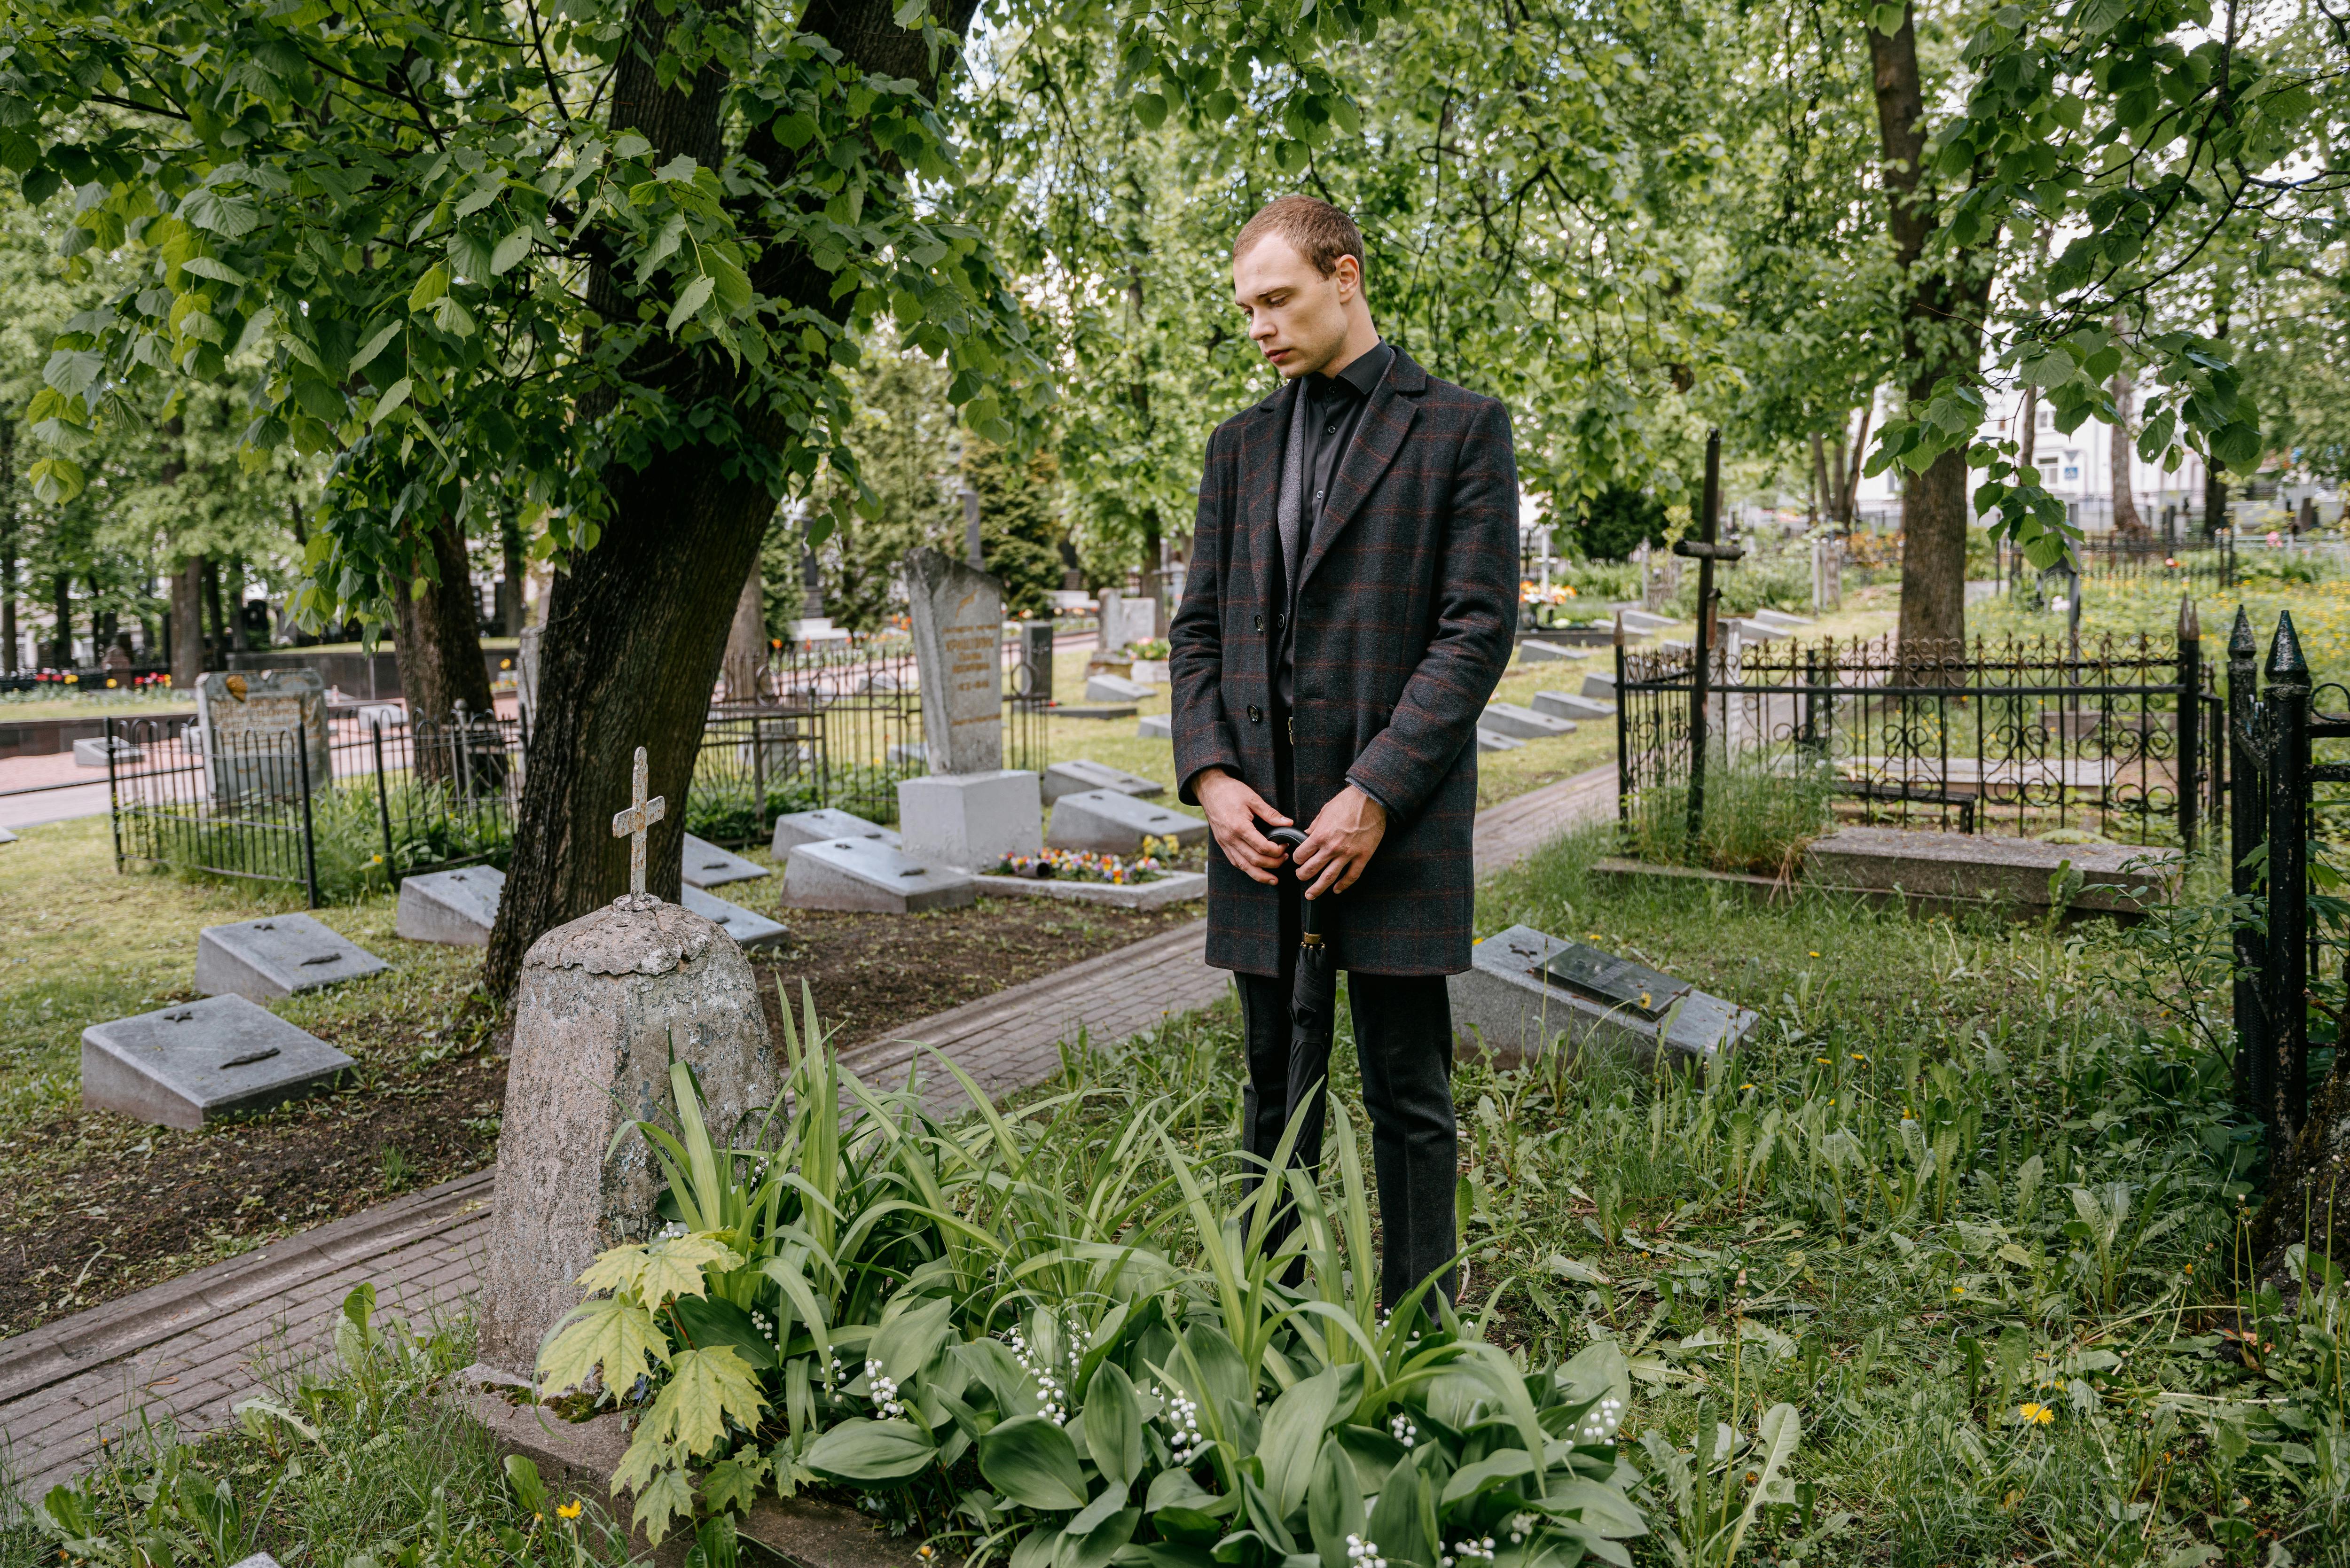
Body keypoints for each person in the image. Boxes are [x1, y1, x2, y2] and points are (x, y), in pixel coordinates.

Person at [1167, 195, 1518, 1313]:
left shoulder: (1459, 426)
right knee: (1272, 1093)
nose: (1259, 326)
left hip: (1393, 826)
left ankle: (1420, 1335)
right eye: (1246, 309)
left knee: (1411, 1093)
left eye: (1278, 299)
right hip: (1261, 831)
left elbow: (1475, 629)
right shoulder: (1238, 445)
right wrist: (1213, 780)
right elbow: (1199, 632)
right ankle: (1265, 1325)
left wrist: (1374, 790)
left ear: (1346, 278)